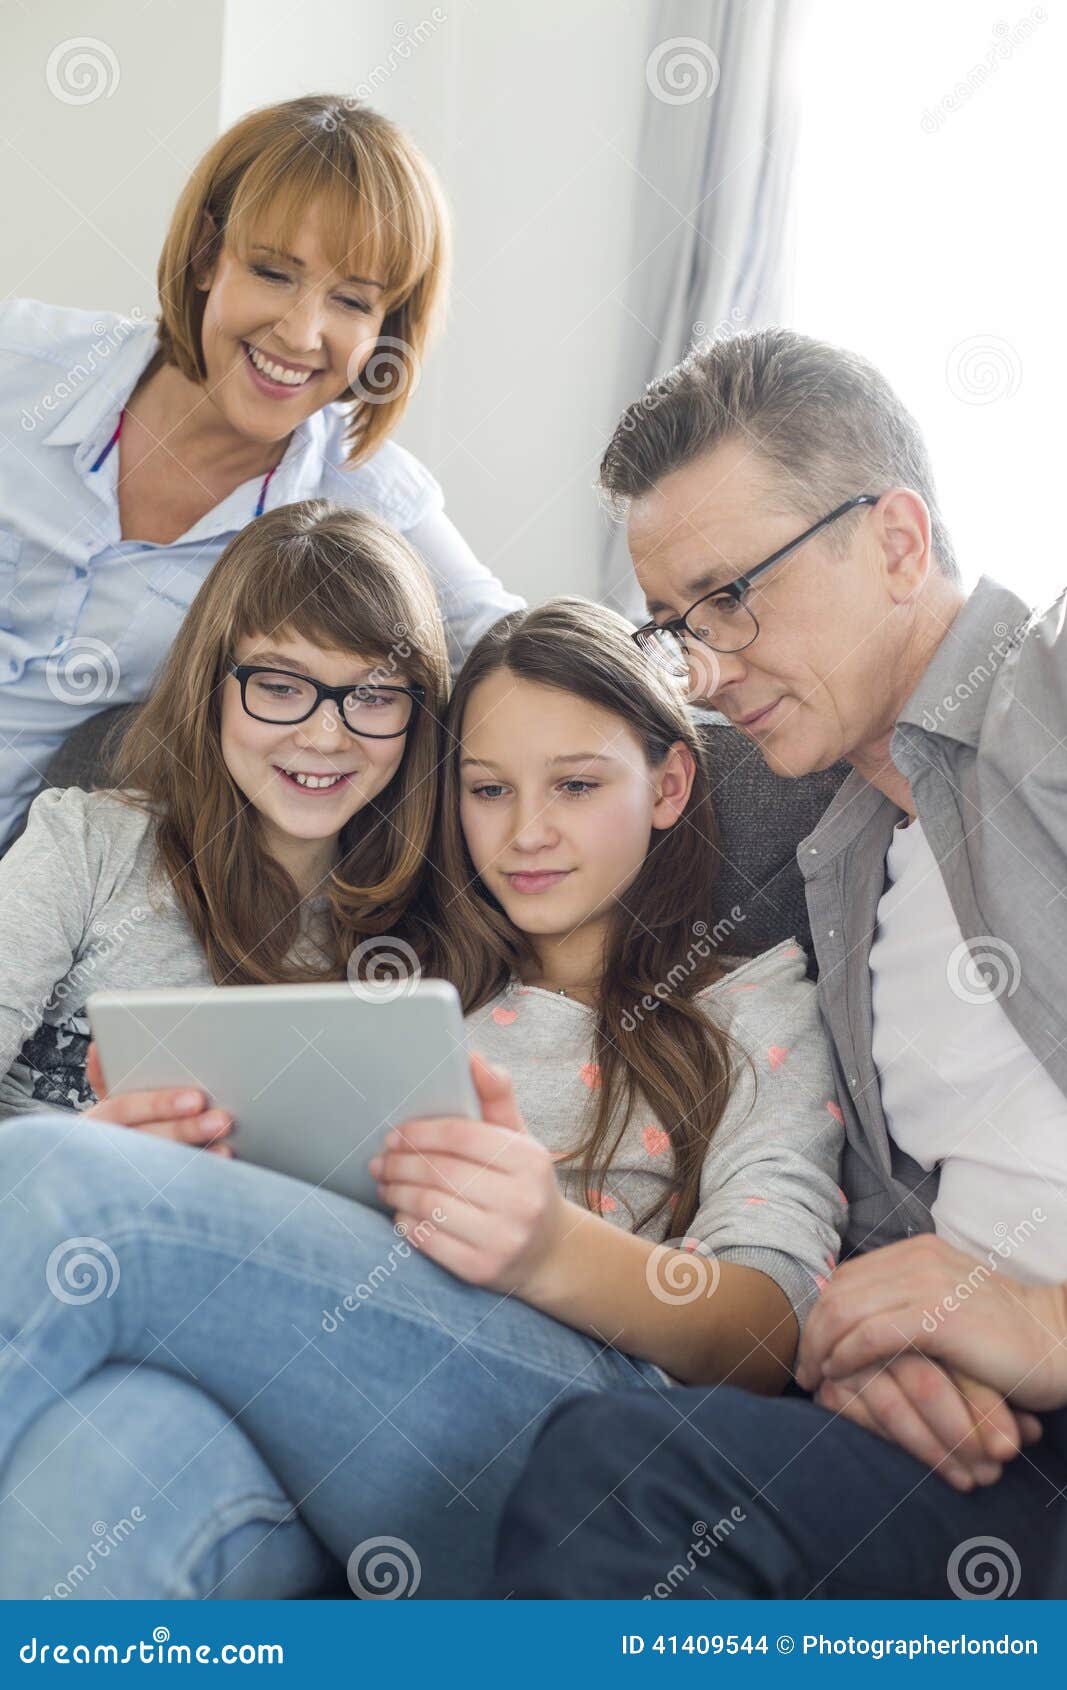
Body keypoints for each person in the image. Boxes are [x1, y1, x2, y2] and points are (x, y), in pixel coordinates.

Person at [0, 598, 844, 1599]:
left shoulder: (748, 1001)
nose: (526, 832)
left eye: (575, 785)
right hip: (324, 1414)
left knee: (63, 1181)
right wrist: (183, 1151)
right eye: (487, 790)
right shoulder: (374, 975)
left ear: (666, 785)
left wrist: (548, 1249)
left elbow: (765, 1332)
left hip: (555, 1426)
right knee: (107, 1459)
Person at [489, 328, 1067, 1601]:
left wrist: (1040, 1326)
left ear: (898, 542)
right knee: (613, 1472)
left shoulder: (1046, 688)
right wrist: (870, 1350)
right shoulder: (844, 861)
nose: (705, 664)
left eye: (732, 594)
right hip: (994, 1451)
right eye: (672, 624)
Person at [0, 93, 521, 853]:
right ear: (208, 254)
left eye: (350, 300)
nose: (302, 332)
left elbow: (502, 643)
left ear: (385, 331)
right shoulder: (22, 363)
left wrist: (681, 652)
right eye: (273, 273)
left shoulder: (363, 497)